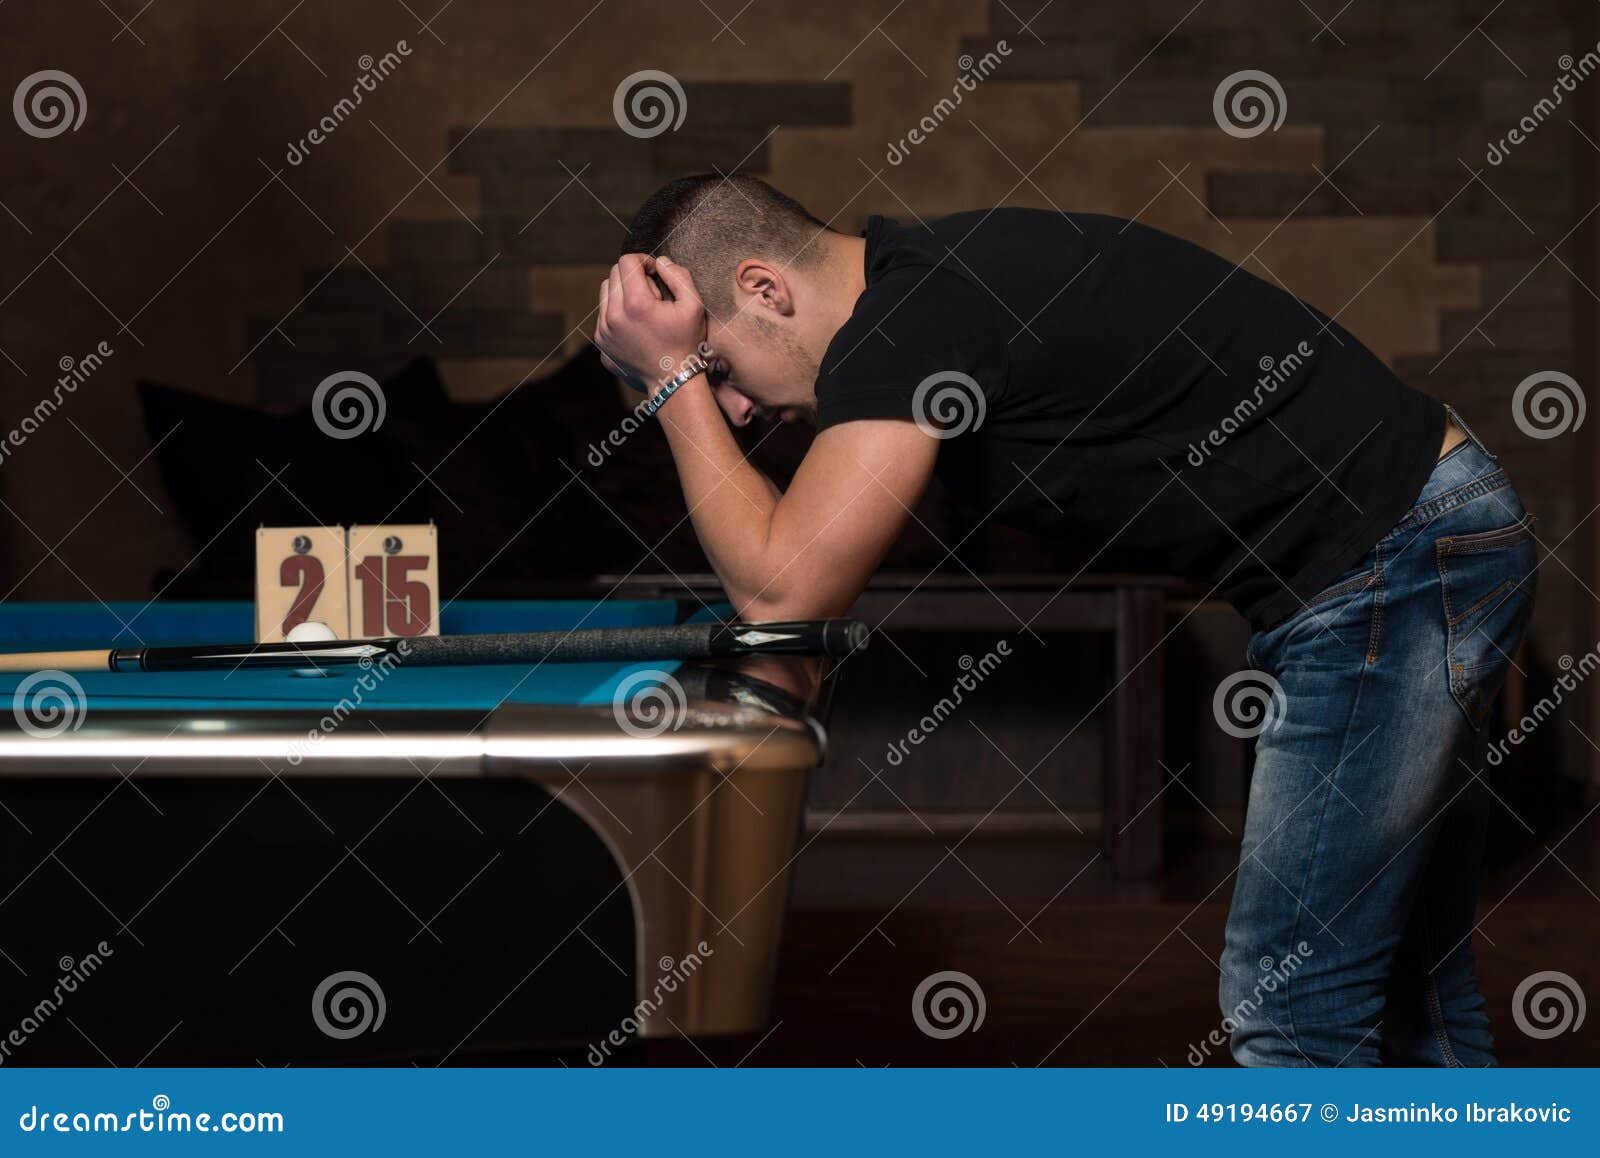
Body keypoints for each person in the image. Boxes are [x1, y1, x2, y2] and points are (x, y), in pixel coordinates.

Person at [592, 174, 1539, 1066]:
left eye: (719, 368)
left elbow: (781, 589)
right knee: (1412, 992)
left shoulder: (908, 325)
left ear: (764, 286)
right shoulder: (918, 307)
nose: (734, 412)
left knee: (1289, 1003)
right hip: (1416, 547)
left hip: (1396, 564)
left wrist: (668, 378)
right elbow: (807, 608)